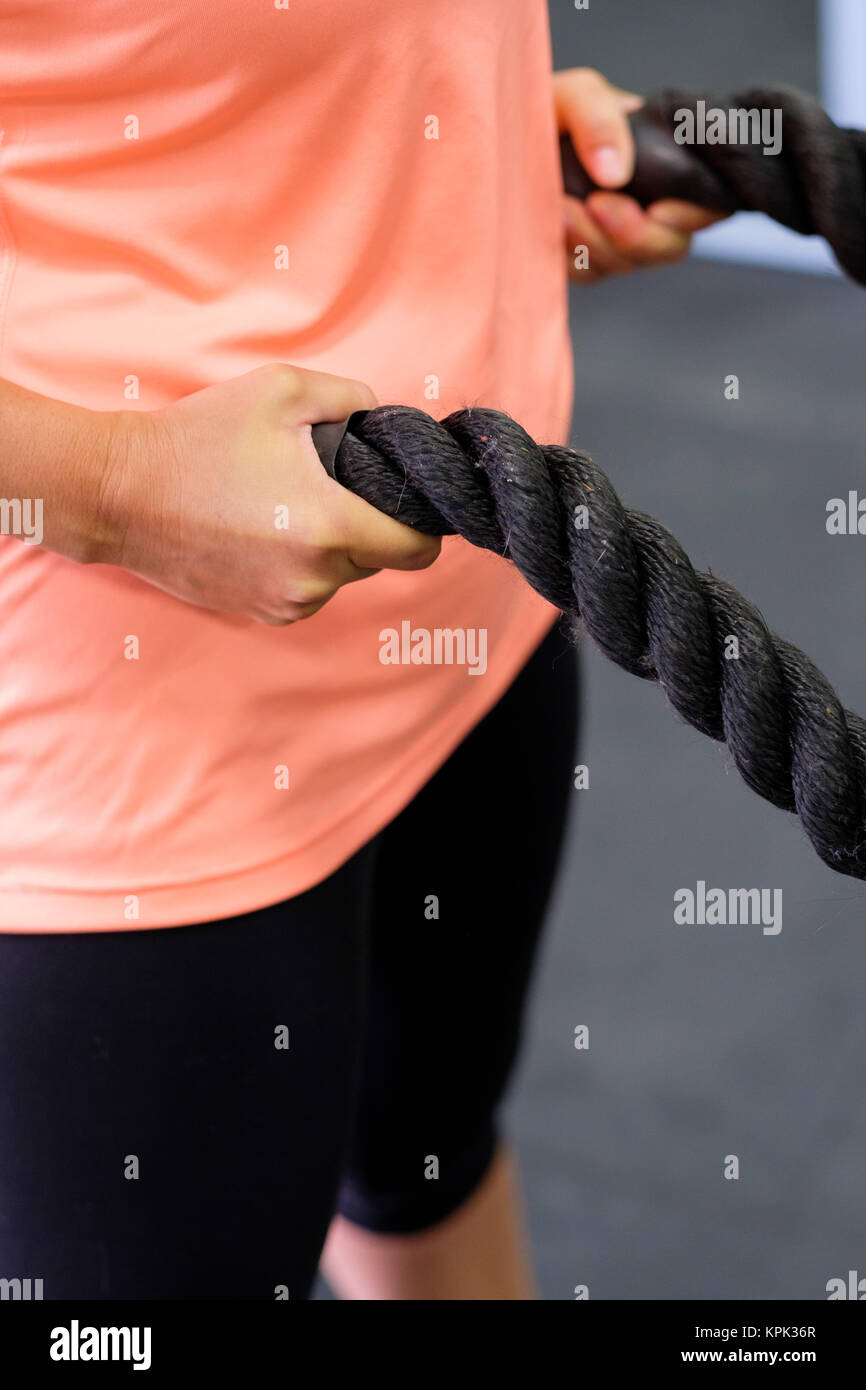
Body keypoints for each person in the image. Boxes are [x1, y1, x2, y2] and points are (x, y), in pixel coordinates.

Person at [0, 3, 718, 1300]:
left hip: (475, 595)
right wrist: (105, 476)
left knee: (424, 1174)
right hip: (128, 742)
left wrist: (454, 144)